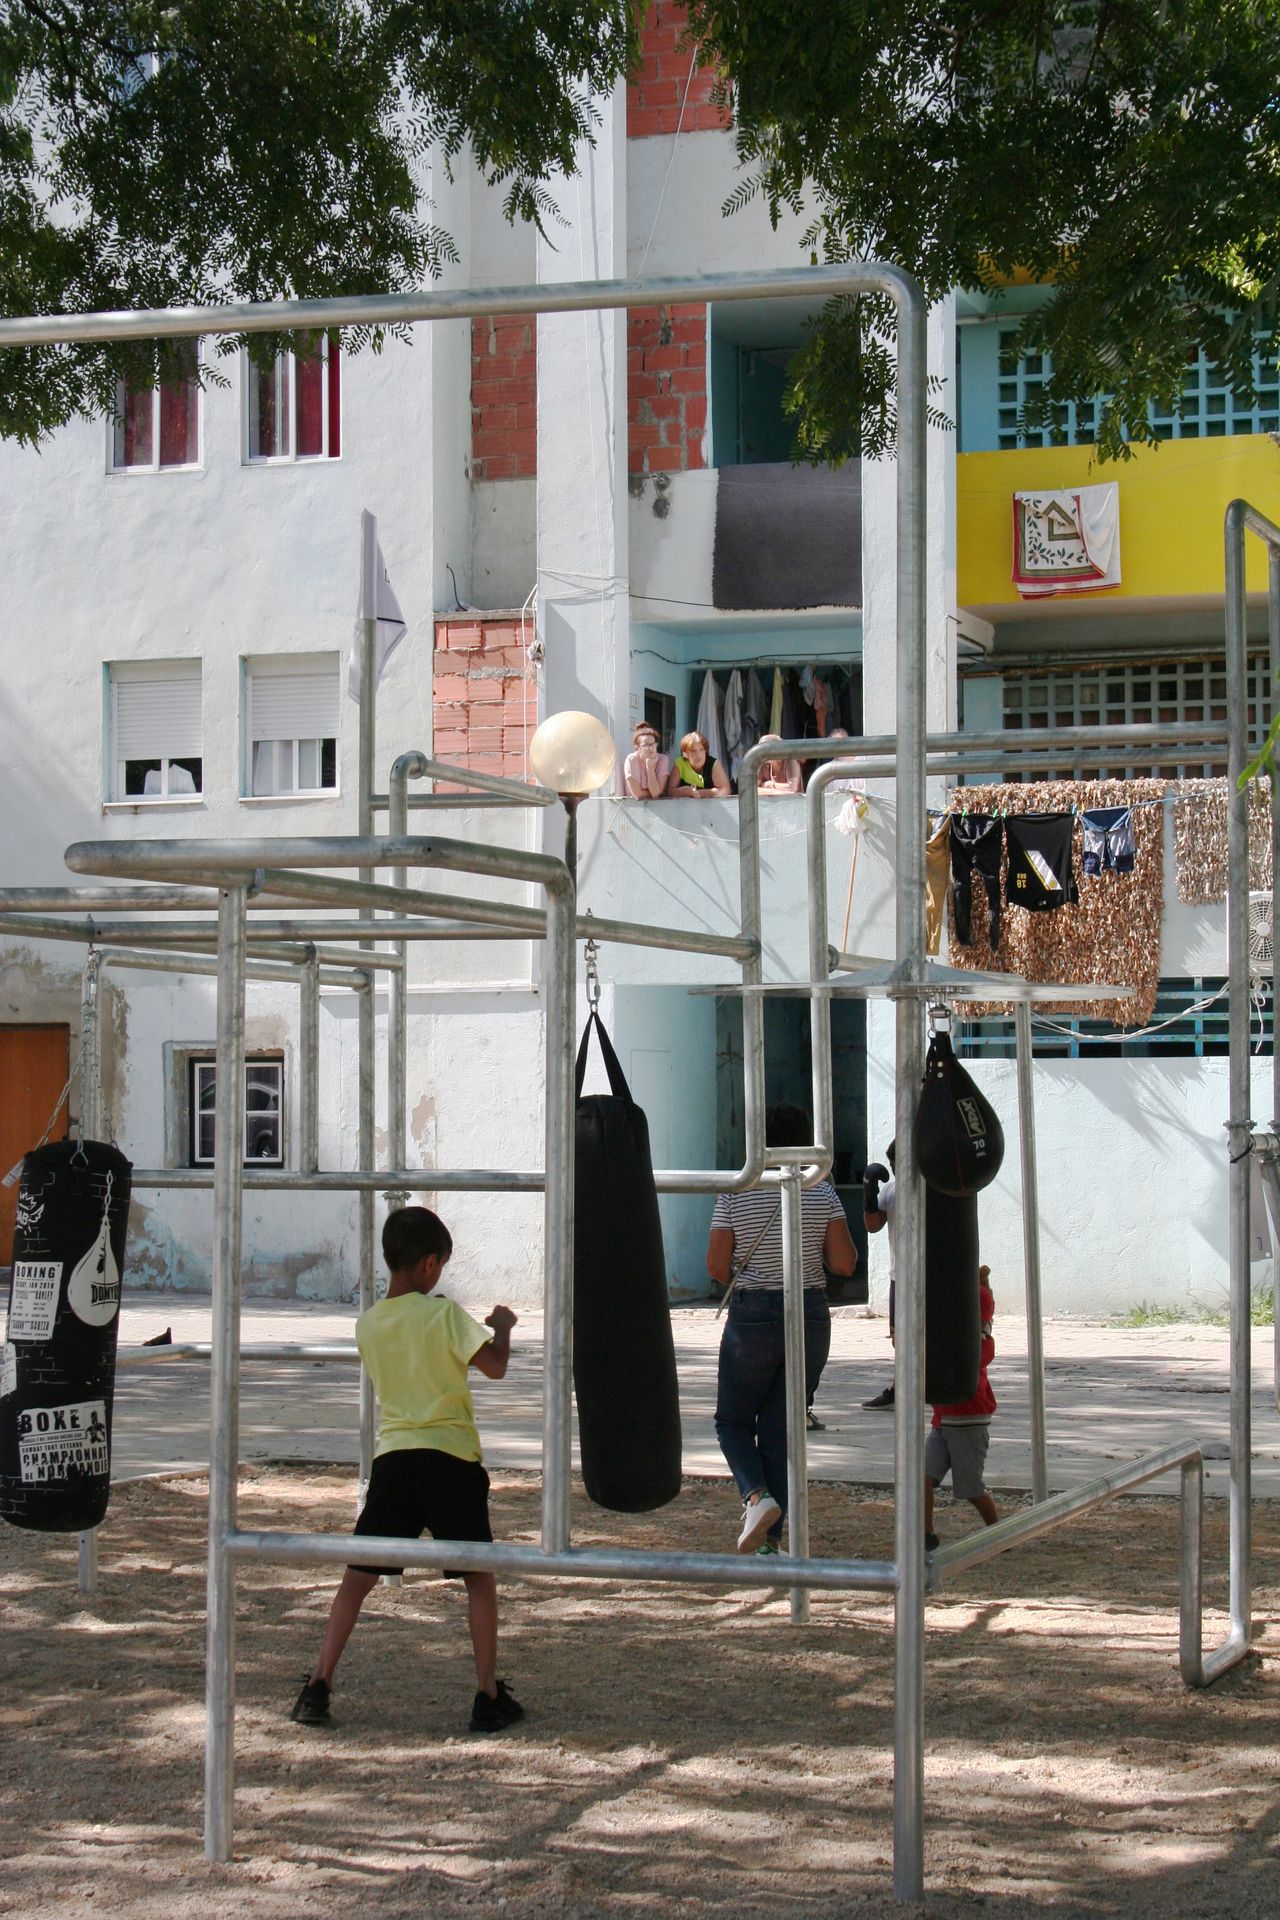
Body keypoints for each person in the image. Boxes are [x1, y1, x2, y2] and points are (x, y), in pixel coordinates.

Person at [290, 1206, 523, 1735]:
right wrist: (502, 1328)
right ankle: (487, 1693)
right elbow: (496, 1367)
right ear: (428, 1264)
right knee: (478, 1577)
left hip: (394, 1459)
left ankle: (319, 1684)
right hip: (451, 1459)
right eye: (439, 1263)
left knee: (356, 1579)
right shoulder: (445, 1315)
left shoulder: (368, 1324)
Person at [707, 1104, 858, 1554]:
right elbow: (845, 1263)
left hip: (754, 1313)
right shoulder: (821, 1192)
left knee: (731, 1420)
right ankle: (771, 1541)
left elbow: (716, 1265)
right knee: (781, 1429)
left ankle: (756, 1497)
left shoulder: (738, 1188)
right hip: (810, 1311)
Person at [925, 1265, 999, 1551]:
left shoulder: (977, 1341)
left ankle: (999, 1532)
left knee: (970, 1488)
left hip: (969, 1417)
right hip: (943, 1418)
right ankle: (926, 1536)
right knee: (922, 1480)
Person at [861, 1142, 896, 1410]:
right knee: (900, 1337)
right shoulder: (891, 1191)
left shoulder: (935, 1186)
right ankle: (899, 1387)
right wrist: (869, 1193)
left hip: (934, 1272)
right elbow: (873, 1226)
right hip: (901, 1275)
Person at [668, 728, 732, 798]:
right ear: (685, 754)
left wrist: (699, 793)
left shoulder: (714, 764)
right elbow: (670, 792)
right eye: (693, 751)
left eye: (701, 750)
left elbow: (726, 790)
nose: (698, 755)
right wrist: (686, 791)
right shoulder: (679, 764)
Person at [623, 721, 672, 800]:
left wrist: (650, 768)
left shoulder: (663, 759)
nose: (651, 748)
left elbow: (656, 794)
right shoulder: (632, 760)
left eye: (653, 744)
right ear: (637, 748)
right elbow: (638, 794)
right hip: (634, 807)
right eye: (646, 745)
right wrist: (659, 792)